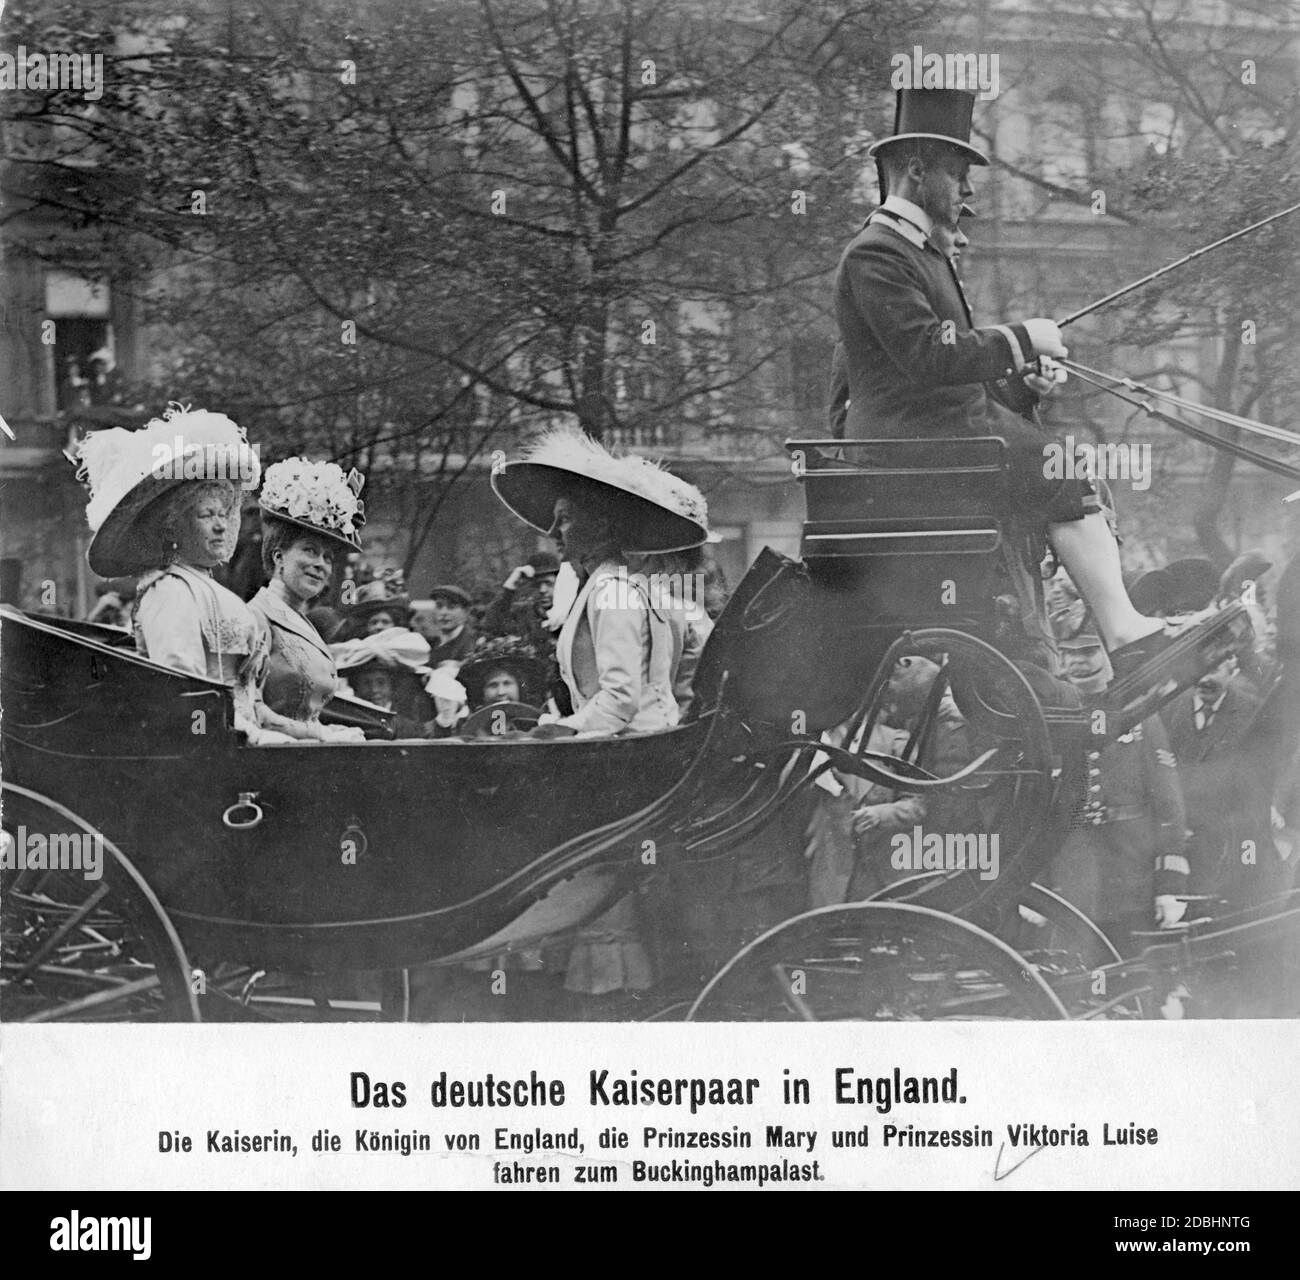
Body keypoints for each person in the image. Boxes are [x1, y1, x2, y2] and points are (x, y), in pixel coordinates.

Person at [836, 86, 1245, 704]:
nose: (969, 192)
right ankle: (1126, 632)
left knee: (1058, 463)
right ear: (916, 169)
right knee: (1062, 468)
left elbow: (948, 373)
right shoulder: (876, 254)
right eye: (958, 174)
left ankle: (1119, 632)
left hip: (940, 433)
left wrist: (1019, 385)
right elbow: (928, 358)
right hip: (913, 448)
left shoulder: (915, 252)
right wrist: (1022, 336)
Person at [491, 423, 709, 999]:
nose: (555, 531)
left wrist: (554, 732)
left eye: (566, 518)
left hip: (626, 764)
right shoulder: (622, 588)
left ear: (600, 524)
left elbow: (618, 699)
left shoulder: (612, 592)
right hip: (640, 755)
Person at [75, 404, 288, 744]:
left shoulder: (208, 586)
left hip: (243, 747)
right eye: (207, 514)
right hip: (210, 756)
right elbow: (183, 695)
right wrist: (256, 740)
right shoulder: (169, 591)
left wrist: (308, 734)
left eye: (224, 513)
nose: (221, 525)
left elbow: (249, 703)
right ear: (174, 525)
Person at [1048, 633, 1192, 955]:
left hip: (1130, 870)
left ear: (1108, 655)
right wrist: (1040, 885)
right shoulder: (1049, 720)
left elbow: (1169, 806)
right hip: (1074, 873)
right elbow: (1040, 813)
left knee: (1133, 971)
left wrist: (1170, 888)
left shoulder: (1139, 716)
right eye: (1067, 653)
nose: (1077, 662)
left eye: (1088, 650)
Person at [248, 458, 367, 742]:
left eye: (327, 557)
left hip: (306, 757)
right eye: (310, 551)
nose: (320, 565)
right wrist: (322, 734)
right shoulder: (255, 617)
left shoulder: (305, 623)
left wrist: (329, 730)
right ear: (279, 557)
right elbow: (249, 710)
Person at [482, 551, 561, 651]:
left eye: (548, 583)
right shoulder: (523, 613)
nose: (542, 590)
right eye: (537, 585)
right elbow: (493, 627)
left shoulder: (572, 614)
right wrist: (509, 589)